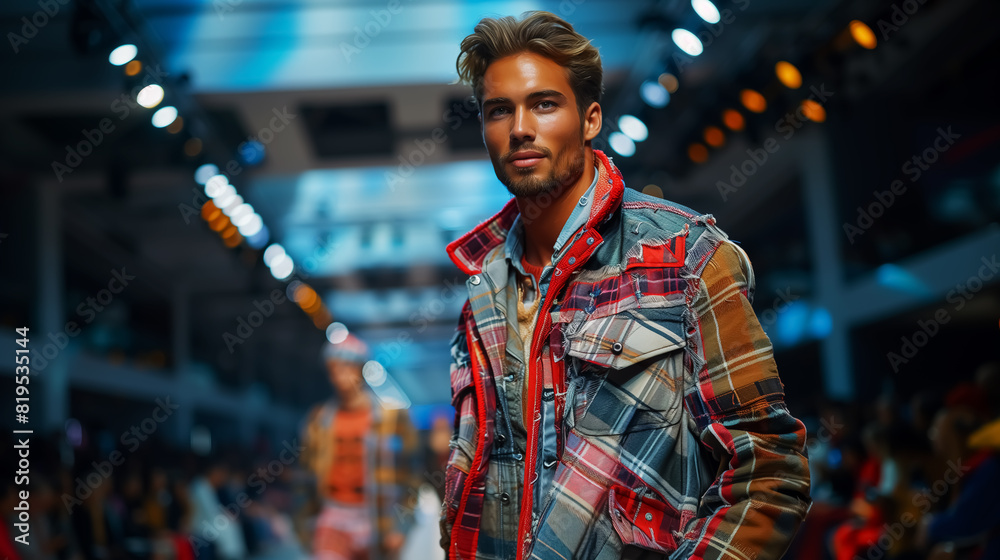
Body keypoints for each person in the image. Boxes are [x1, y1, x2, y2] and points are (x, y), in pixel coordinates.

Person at [440, 11, 811, 560]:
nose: (519, 127)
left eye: (543, 103)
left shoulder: (685, 256)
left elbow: (769, 466)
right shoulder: (484, 290)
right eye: (499, 110)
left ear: (590, 120)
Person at [302, 333, 420, 560]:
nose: (340, 376)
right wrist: (305, 527)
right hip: (333, 516)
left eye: (347, 366)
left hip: (378, 521)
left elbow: (412, 477)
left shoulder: (394, 419)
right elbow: (305, 478)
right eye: (333, 369)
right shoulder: (319, 421)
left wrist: (402, 526)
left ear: (360, 369)